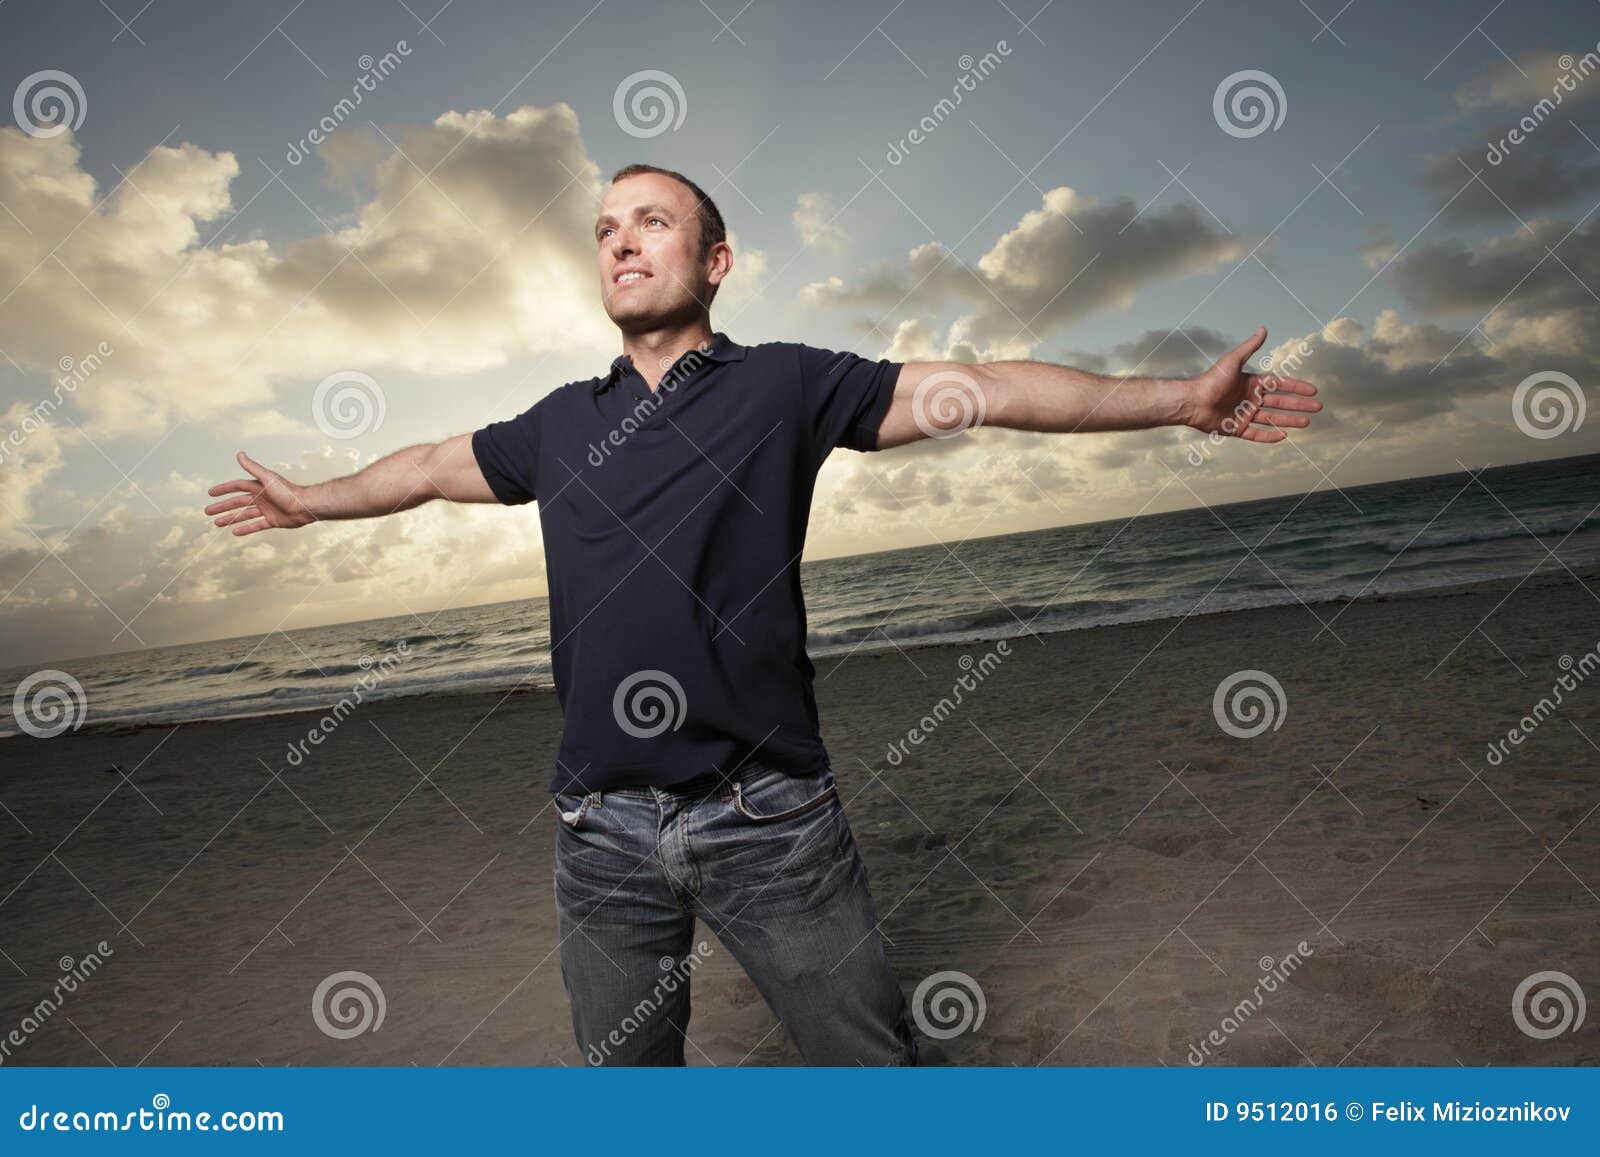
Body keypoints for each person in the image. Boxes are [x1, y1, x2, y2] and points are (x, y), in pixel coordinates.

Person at [203, 162, 1322, 1065]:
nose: (622, 241)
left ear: (715, 259)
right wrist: (309, 501)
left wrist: (1179, 400)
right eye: (604, 229)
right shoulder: (554, 423)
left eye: (651, 221)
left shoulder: (783, 384)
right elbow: (430, 466)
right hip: (598, 832)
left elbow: (984, 386)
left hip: (768, 819)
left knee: (867, 1073)